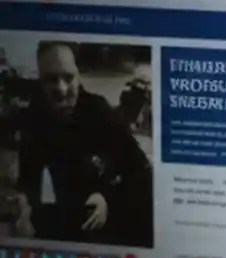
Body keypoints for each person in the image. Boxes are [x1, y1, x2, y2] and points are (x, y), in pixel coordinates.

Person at [13, 41, 152, 247]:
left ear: (79, 77)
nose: (61, 89)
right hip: (67, 218)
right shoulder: (35, 116)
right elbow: (28, 177)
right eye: (51, 80)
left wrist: (108, 199)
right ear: (40, 81)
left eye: (68, 78)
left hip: (112, 223)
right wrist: (24, 207)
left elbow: (140, 169)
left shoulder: (99, 112)